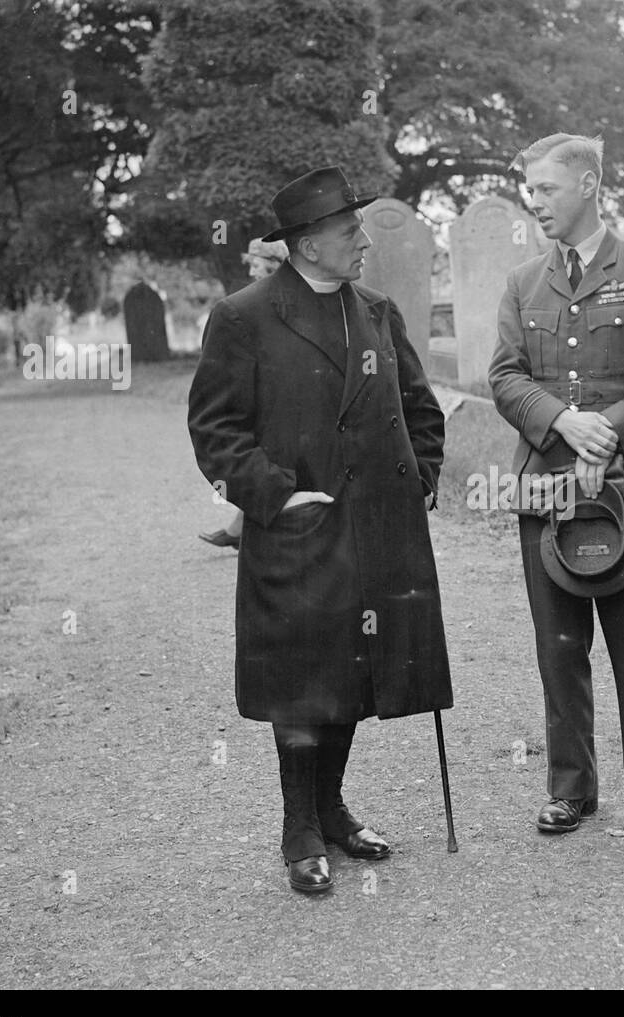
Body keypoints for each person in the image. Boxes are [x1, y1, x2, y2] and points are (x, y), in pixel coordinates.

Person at [188, 166, 453, 894]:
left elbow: (419, 408)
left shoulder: (375, 311)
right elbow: (216, 432)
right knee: (302, 679)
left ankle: (331, 809)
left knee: (355, 674)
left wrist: (420, 480)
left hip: (376, 533)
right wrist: (276, 497)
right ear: (306, 246)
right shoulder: (245, 317)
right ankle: (298, 826)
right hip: (300, 531)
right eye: (348, 232)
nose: (363, 241)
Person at [490, 133, 624, 846]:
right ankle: (571, 789)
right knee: (559, 647)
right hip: (548, 493)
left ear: (588, 185)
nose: (534, 202)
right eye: (530, 190)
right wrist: (566, 424)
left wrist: (606, 430)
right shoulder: (522, 282)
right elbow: (505, 377)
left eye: (545, 188)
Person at [199, 237, 290, 550]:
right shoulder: (247, 306)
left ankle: (240, 529)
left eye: (257, 265)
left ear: (276, 266)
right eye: (250, 265)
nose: (252, 272)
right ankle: (240, 528)